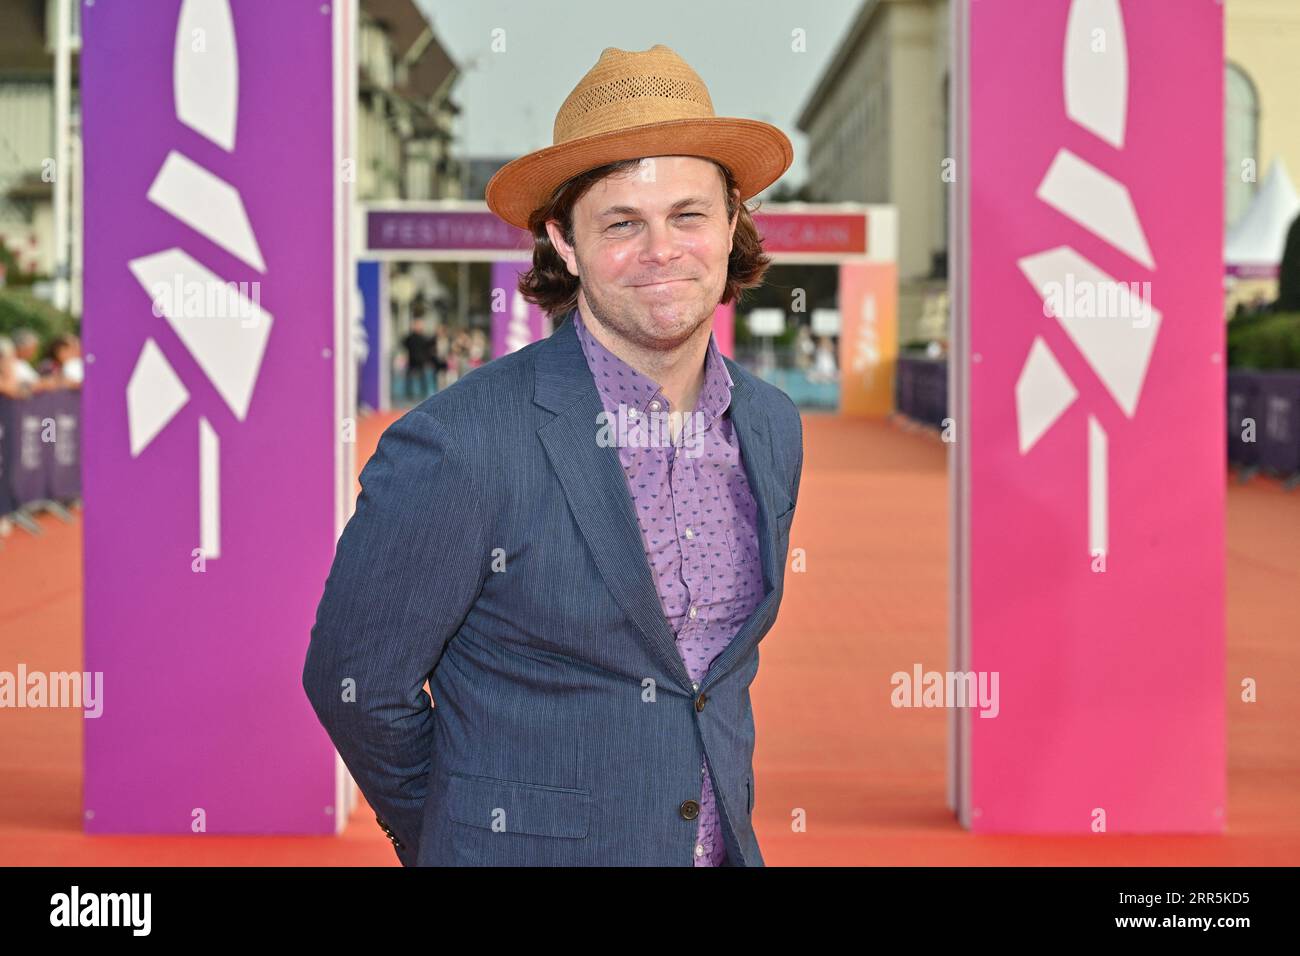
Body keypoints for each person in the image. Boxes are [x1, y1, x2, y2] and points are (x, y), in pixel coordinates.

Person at [303, 44, 802, 867]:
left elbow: (707, 688)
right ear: (563, 244)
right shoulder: (460, 445)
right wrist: (459, 840)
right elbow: (356, 686)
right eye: (621, 223)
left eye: (688, 214)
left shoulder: (771, 428)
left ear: (731, 223)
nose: (662, 250)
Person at [399, 316, 432, 402]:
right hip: (412, 361)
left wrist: (427, 360)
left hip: (421, 361)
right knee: (409, 379)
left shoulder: (424, 338)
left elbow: (428, 349)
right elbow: (403, 343)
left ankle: (424, 395)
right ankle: (409, 395)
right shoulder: (410, 338)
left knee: (423, 379)